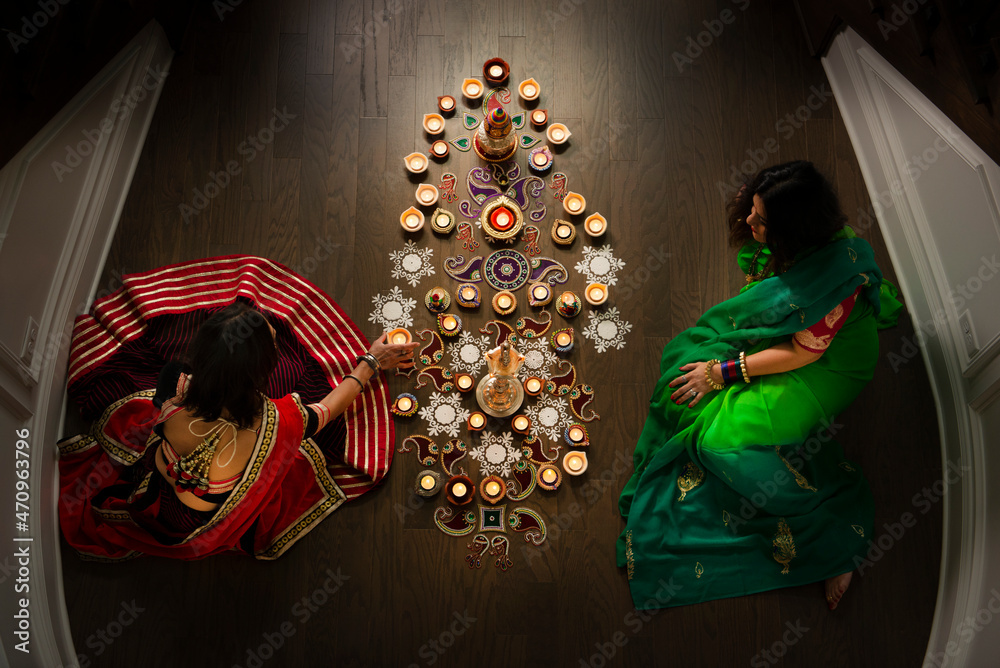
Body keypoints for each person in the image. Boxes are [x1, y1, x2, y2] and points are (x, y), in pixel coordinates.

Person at [617, 161, 902, 610]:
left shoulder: (836, 289)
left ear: (795, 230)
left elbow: (801, 354)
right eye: (752, 207)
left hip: (823, 365)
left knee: (717, 441)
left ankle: (832, 541)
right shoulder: (807, 233)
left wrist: (720, 373)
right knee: (683, 360)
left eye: (761, 219)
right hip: (802, 340)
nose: (749, 220)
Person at [58, 256, 418, 560]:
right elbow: (330, 408)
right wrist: (371, 361)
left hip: (154, 496)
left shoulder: (173, 381)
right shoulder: (283, 420)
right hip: (207, 515)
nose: (275, 332)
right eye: (274, 344)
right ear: (263, 372)